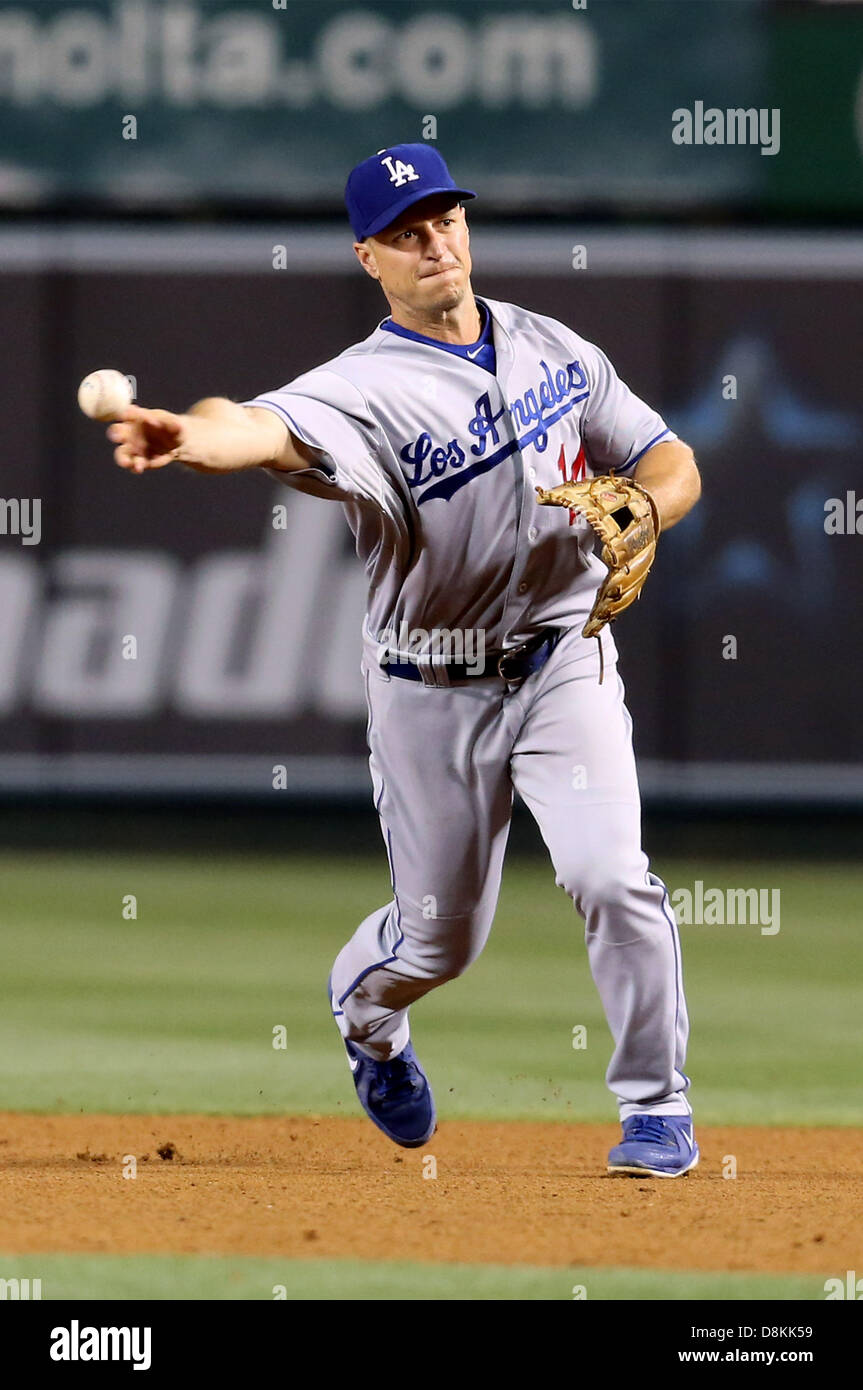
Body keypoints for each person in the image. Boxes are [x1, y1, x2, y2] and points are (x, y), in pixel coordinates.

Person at [107, 144, 702, 1177]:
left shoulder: (551, 346)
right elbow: (255, 427)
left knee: (612, 876)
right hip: (430, 686)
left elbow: (668, 458)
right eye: (405, 232)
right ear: (366, 258)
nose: (433, 242)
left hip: (563, 655)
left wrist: (644, 504)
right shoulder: (359, 389)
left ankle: (656, 1111)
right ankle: (369, 1021)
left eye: (445, 219)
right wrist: (188, 435)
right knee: (439, 945)